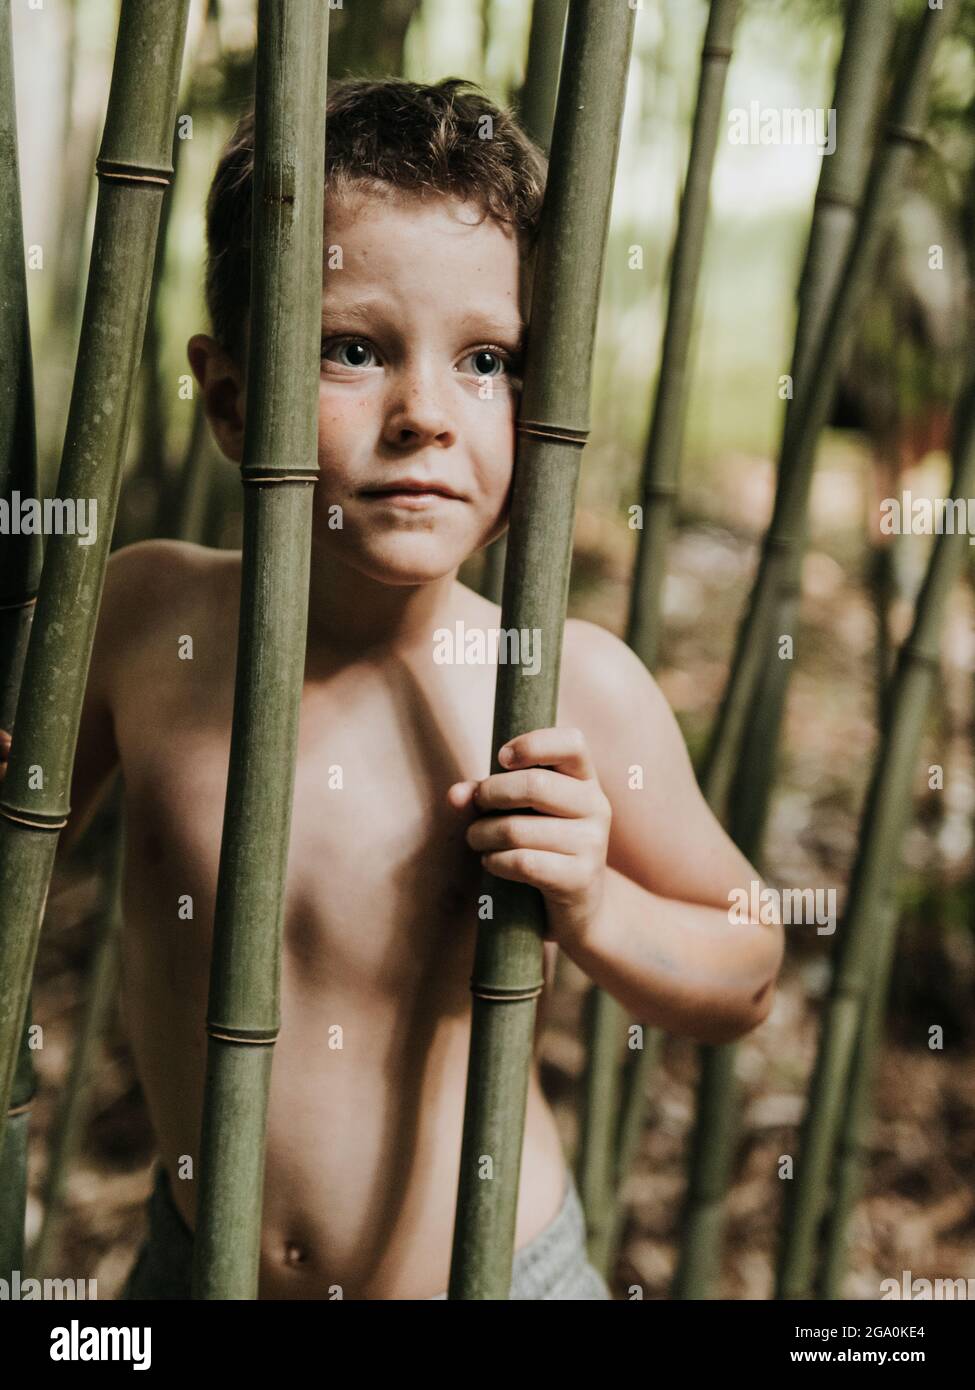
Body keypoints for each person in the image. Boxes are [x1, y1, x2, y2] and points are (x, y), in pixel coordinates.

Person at [0, 78, 783, 1299]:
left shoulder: (564, 683)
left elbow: (748, 966)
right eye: (354, 349)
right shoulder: (144, 619)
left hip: (495, 1280)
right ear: (229, 395)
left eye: (488, 361)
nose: (425, 414)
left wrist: (595, 905)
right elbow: (21, 834)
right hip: (195, 1271)